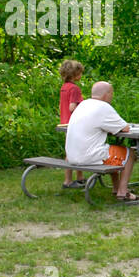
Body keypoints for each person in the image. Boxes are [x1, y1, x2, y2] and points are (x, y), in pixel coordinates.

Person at [65, 81, 139, 201]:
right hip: (88, 156)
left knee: (114, 151)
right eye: (112, 93)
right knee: (129, 153)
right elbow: (125, 128)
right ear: (107, 94)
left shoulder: (83, 105)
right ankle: (123, 192)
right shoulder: (103, 107)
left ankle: (116, 188)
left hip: (72, 156)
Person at [58, 60, 85, 189]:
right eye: (80, 73)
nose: (81, 75)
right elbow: (72, 107)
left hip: (64, 122)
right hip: (74, 123)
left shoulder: (64, 87)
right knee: (73, 151)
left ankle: (80, 178)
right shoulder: (74, 88)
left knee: (73, 149)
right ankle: (68, 180)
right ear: (75, 74)